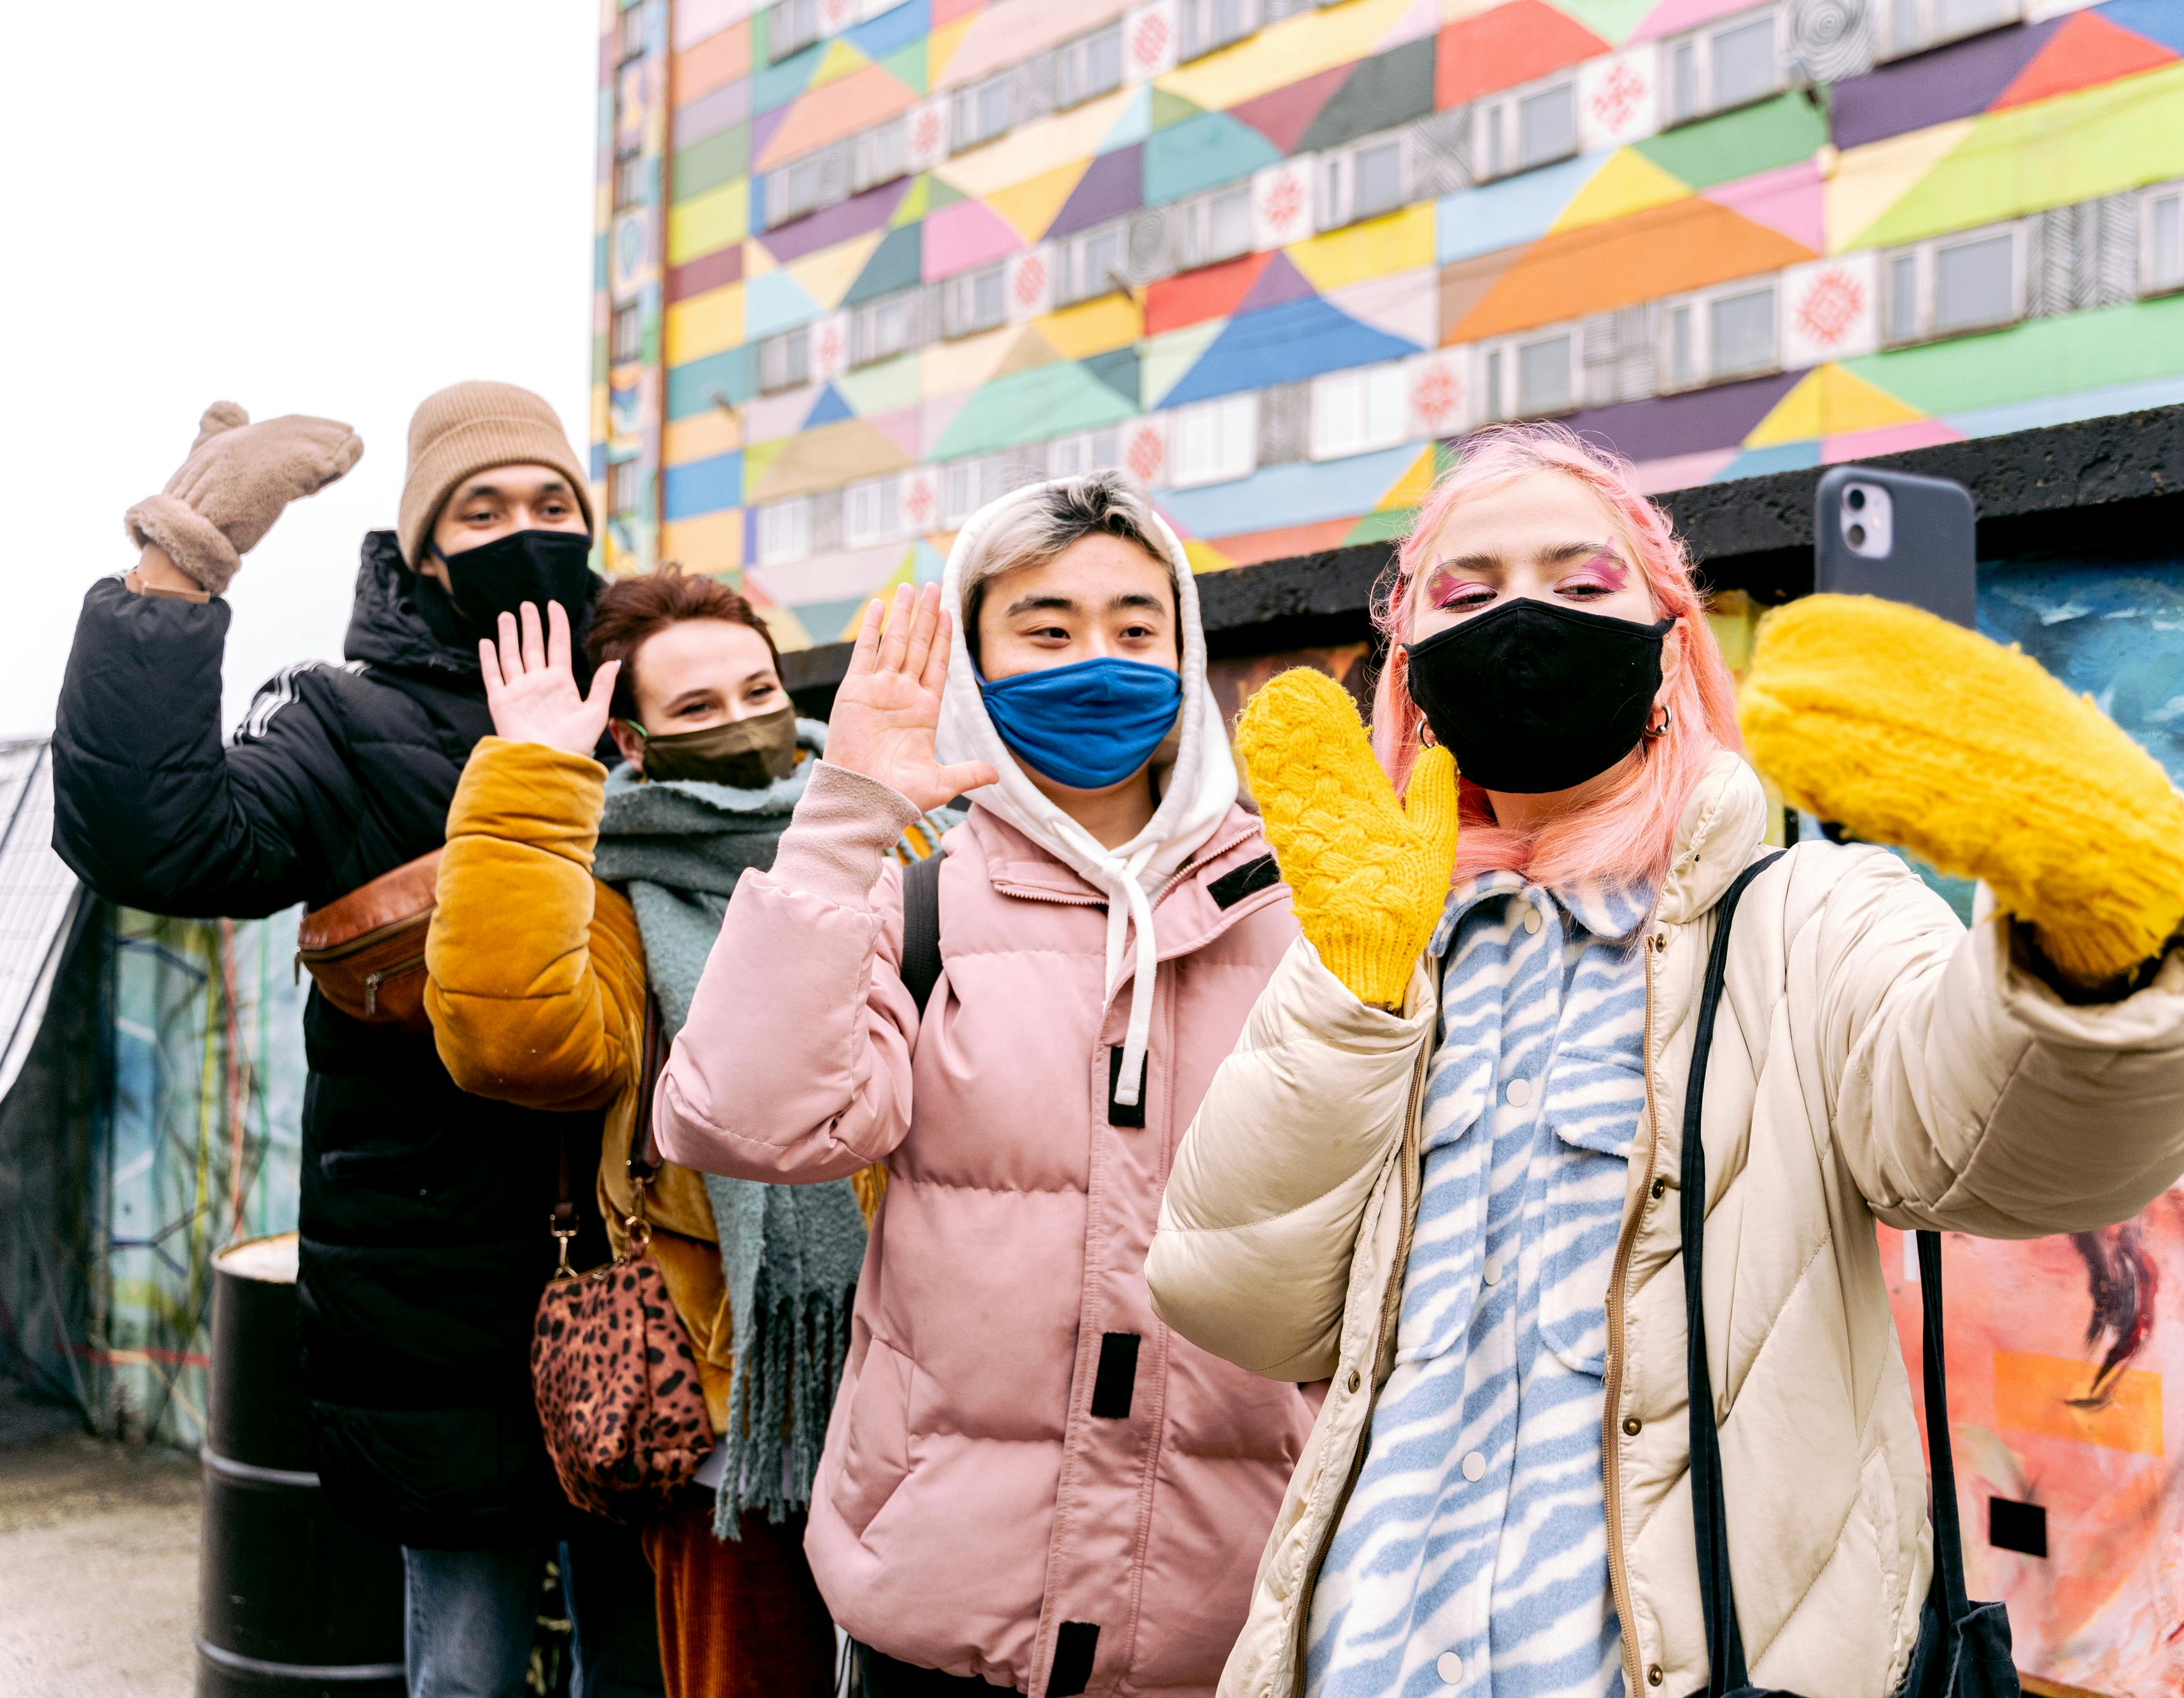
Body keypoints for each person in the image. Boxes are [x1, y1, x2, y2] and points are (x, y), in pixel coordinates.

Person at [1144, 424, 2184, 1698]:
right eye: (1465, 589)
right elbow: (1234, 1299)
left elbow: (2013, 1155)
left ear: (1671, 643)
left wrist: (2111, 924)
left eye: (1580, 581)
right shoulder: (1370, 942)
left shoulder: (1807, 914)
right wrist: (1350, 993)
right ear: (1408, 662)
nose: (1522, 619)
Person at [652, 473, 1313, 1698]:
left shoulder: (1301, 908)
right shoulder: (916, 900)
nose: (1098, 663)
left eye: (1135, 627)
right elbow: (739, 1119)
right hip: (946, 1608)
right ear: (977, 662)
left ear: (1188, 652)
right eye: (1046, 630)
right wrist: (845, 817)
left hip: (1235, 1610)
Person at [52, 387, 663, 1698]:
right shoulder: (343, 718)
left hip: (650, 1270)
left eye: (551, 505)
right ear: (425, 549)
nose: (522, 531)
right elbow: (152, 836)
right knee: (463, 1665)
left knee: (648, 1659)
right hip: (431, 1295)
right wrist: (181, 562)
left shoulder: (646, 700)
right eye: (479, 510)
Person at [423, 569, 890, 1697]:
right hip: (740, 1417)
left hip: (928, 1389)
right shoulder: (612, 901)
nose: (742, 722)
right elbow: (511, 1038)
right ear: (632, 743)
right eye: (695, 709)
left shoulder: (897, 830)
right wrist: (536, 778)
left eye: (759, 687)